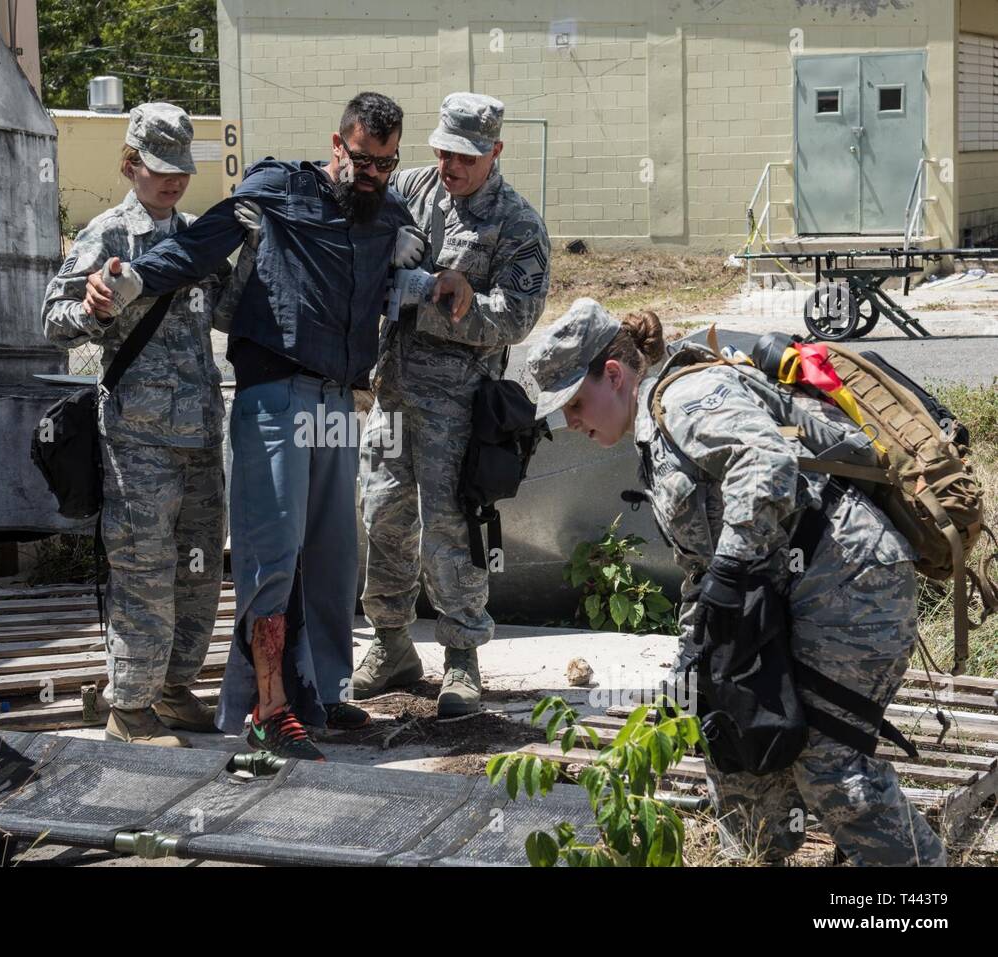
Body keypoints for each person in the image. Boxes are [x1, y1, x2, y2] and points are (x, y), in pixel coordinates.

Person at [527, 298, 947, 866]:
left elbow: (767, 460)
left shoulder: (686, 397)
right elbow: (704, 567)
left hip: (851, 586)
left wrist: (731, 570)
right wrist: (694, 656)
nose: (572, 422)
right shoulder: (653, 427)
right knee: (733, 744)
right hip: (788, 592)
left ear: (614, 374)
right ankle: (752, 858)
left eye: (575, 404)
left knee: (831, 767)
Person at [98, 92, 421, 759]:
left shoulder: (386, 212)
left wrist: (424, 266)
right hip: (276, 398)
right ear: (338, 144)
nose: (372, 175)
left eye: (386, 165)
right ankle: (267, 707)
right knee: (272, 559)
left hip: (340, 404)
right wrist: (133, 279)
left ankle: (323, 695)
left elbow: (405, 271)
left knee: (333, 561)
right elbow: (199, 246)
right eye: (362, 160)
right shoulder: (277, 189)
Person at [353, 93, 551, 716]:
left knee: (450, 530)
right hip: (391, 395)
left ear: (495, 150)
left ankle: (462, 658)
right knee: (382, 517)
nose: (451, 165)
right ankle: (390, 645)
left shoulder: (517, 224)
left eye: (464, 155)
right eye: (443, 150)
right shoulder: (411, 187)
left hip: (459, 407)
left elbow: (516, 317)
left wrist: (445, 300)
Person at [42, 102, 232, 748]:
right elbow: (52, 318)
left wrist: (261, 248)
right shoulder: (108, 235)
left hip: (201, 437)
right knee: (145, 573)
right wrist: (93, 307)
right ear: (129, 165)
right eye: (158, 169)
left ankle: (175, 689)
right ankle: (130, 708)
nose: (173, 181)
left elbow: (233, 309)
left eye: (180, 168)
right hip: (139, 441)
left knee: (200, 572)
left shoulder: (198, 239)